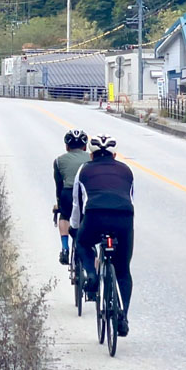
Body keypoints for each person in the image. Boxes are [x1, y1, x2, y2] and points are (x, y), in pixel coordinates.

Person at [70, 133, 135, 337]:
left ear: (91, 155)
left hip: (95, 215)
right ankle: (123, 316)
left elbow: (77, 204)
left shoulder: (84, 170)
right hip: (124, 218)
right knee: (123, 270)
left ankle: (91, 274)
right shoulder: (127, 170)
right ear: (114, 155)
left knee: (82, 243)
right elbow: (132, 199)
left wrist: (75, 227)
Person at [53, 129, 89, 266]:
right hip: (87, 194)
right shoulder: (91, 158)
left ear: (67, 146)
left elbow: (59, 185)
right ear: (85, 146)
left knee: (64, 215)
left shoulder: (58, 161)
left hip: (68, 192)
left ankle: (65, 248)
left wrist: (59, 204)